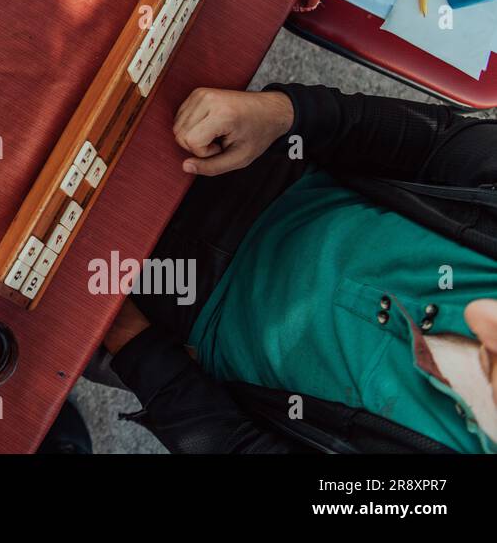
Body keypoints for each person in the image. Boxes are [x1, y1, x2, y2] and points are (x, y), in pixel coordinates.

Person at [100, 84, 497, 453]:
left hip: (175, 320)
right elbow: (434, 141)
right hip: (261, 171)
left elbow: (233, 446)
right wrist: (283, 114)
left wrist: (134, 345)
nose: (480, 310)